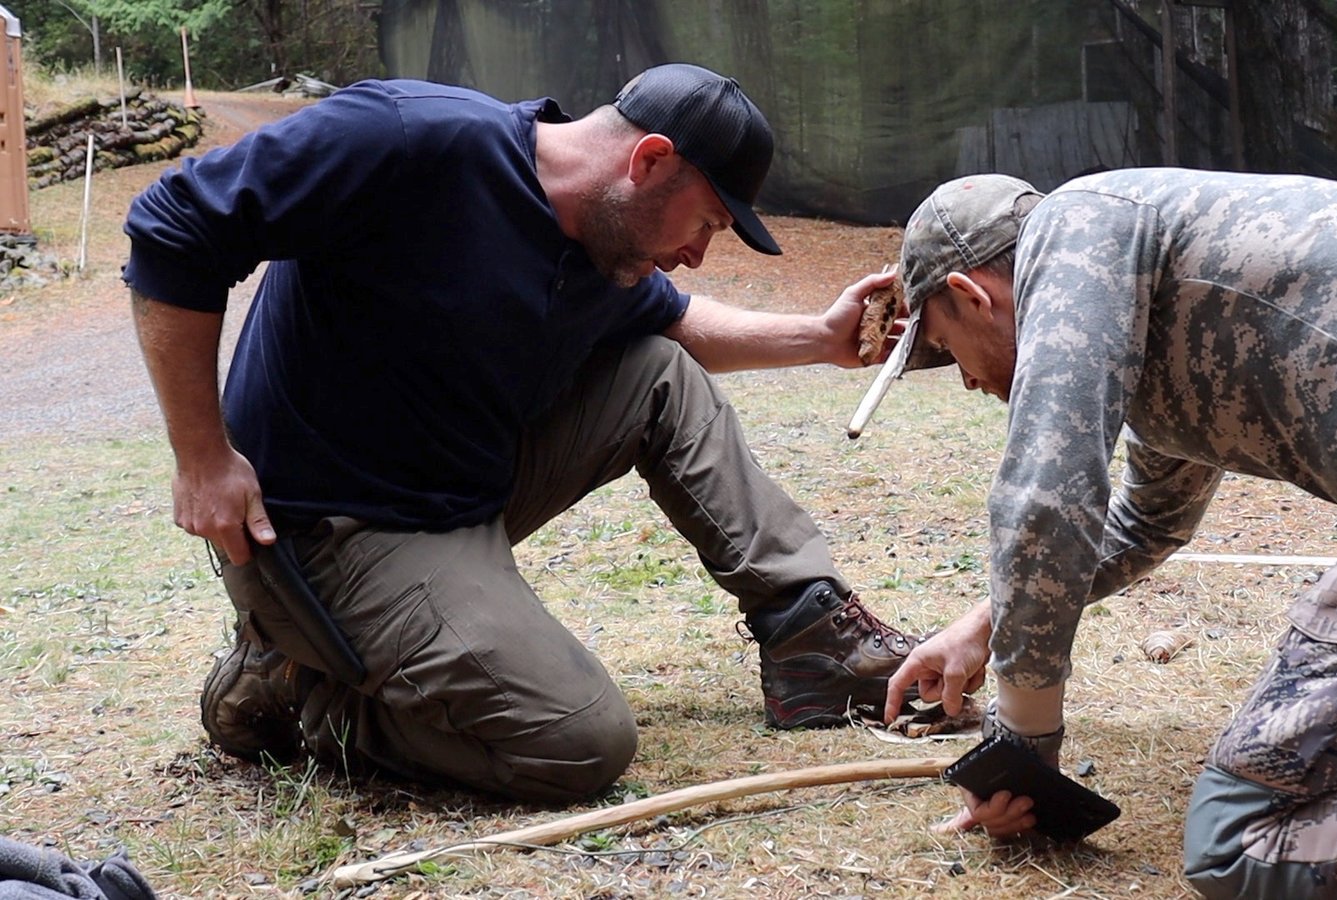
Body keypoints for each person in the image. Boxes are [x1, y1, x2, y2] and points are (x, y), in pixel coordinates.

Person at [123, 63, 922, 803]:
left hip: (460, 500)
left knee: (658, 370)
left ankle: (810, 637)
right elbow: (175, 223)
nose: (697, 255)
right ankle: (295, 691)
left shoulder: (601, 244)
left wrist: (821, 338)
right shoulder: (410, 140)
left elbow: (683, 326)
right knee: (580, 745)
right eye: (707, 221)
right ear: (647, 161)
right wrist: (202, 456)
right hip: (326, 534)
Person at [861, 169, 1337, 897]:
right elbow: (1144, 524)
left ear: (968, 295)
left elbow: (1048, 501)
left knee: (1237, 836)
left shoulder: (1077, 224)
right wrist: (985, 624)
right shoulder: (1151, 288)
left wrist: (1021, 749)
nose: (961, 380)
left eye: (942, 347)